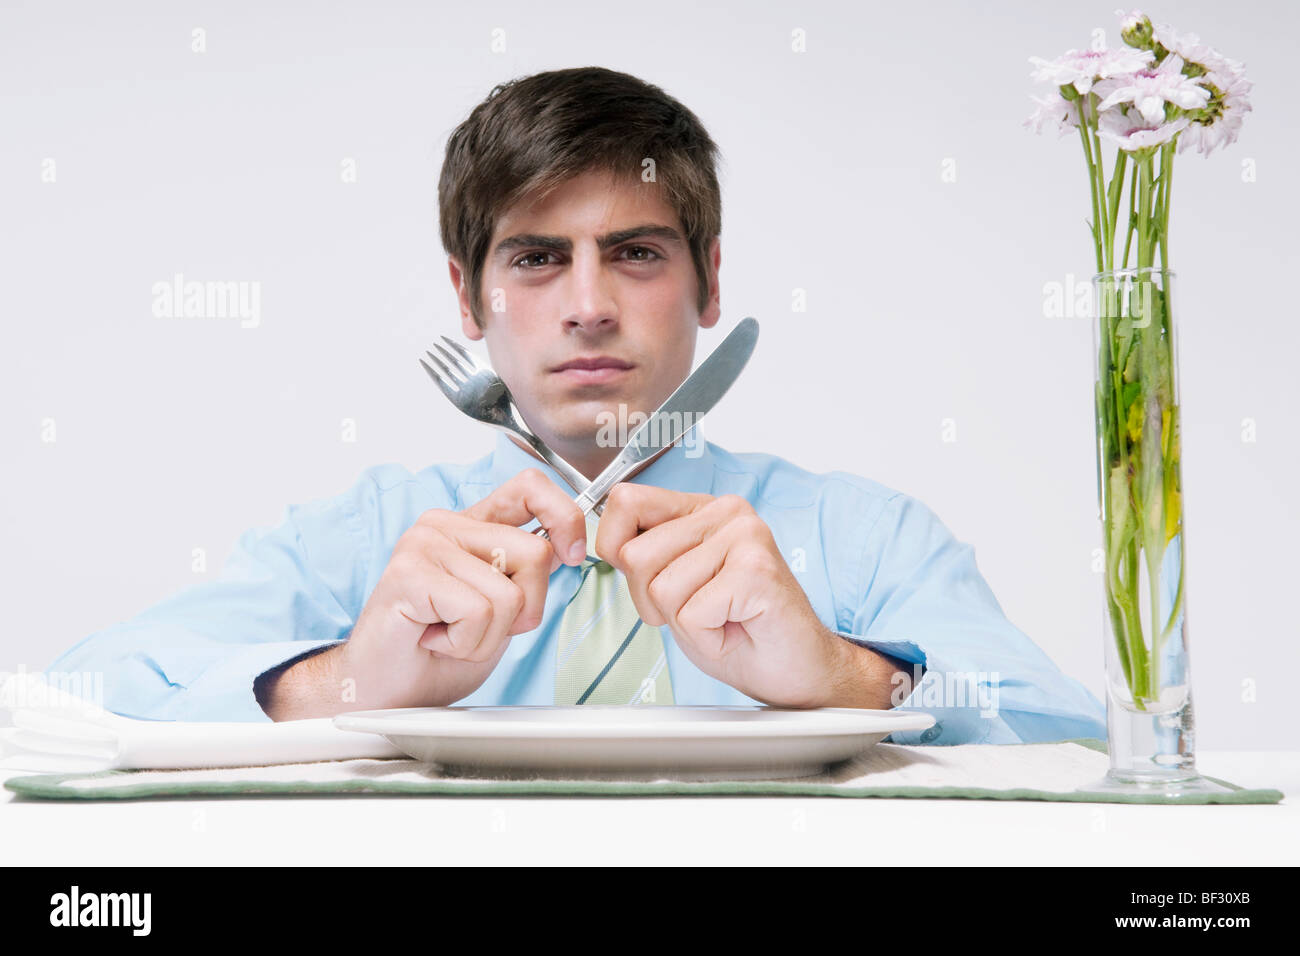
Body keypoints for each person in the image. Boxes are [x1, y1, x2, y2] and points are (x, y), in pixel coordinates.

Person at [44, 66, 1106, 746]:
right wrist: (343, 683)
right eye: (538, 259)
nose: (589, 307)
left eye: (636, 254)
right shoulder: (370, 538)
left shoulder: (863, 538)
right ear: (467, 295)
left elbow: (1076, 737)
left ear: (710, 281)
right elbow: (72, 697)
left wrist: (845, 675)